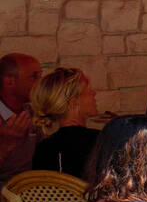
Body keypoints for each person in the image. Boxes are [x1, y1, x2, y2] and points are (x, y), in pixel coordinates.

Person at [29, 68, 99, 178]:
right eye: (88, 88)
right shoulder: (100, 141)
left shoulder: (43, 149)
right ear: (73, 103)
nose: (93, 93)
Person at [0, 52, 42, 182]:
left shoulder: (31, 111)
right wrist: (6, 144)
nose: (40, 82)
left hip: (33, 189)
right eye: (34, 77)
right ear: (9, 82)